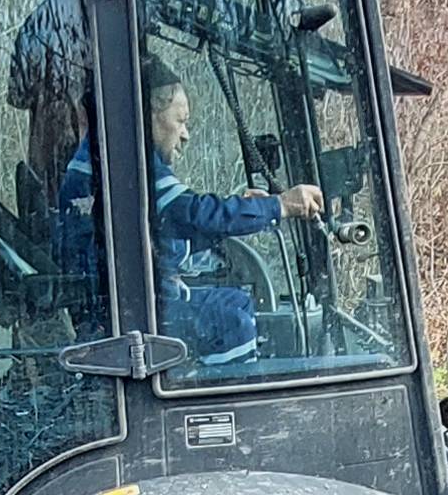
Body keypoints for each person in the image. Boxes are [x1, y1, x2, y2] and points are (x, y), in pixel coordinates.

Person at [57, 58, 324, 364]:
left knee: (234, 302)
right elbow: (194, 214)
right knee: (231, 320)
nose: (186, 135)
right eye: (180, 121)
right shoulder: (125, 164)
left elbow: (168, 231)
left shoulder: (106, 156)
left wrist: (250, 209)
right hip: (125, 314)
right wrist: (279, 205)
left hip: (122, 302)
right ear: (149, 115)